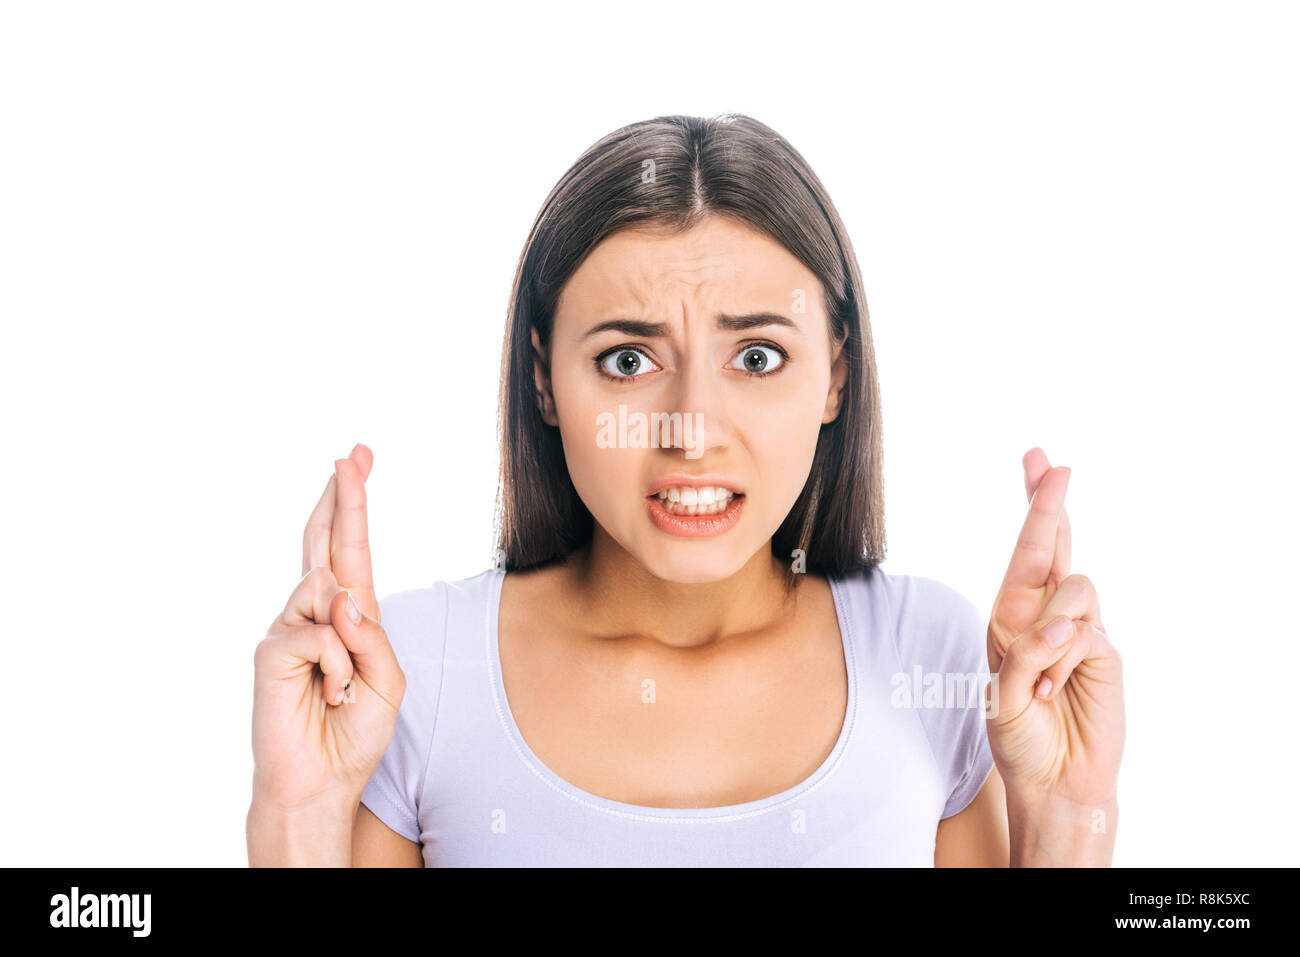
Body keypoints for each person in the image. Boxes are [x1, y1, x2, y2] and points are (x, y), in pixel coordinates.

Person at [246, 114, 1125, 867]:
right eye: (628, 360)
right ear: (544, 379)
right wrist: (300, 815)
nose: (691, 430)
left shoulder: (927, 656)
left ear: (835, 377)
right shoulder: (414, 675)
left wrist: (1068, 818)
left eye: (757, 357)